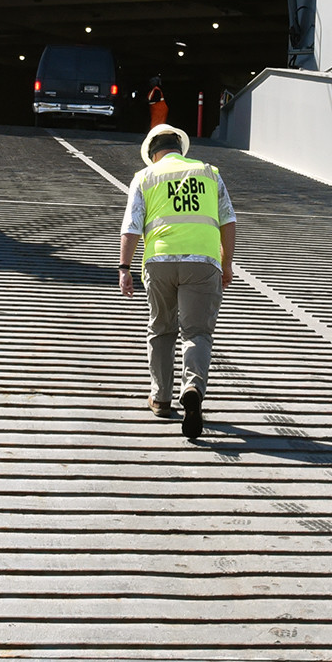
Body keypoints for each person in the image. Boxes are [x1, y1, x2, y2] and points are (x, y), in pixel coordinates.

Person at [117, 123, 235, 440]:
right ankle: (193, 387)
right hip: (203, 262)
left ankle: (161, 398)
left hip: (159, 262)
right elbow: (229, 220)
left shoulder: (145, 177)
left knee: (161, 329)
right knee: (196, 332)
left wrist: (124, 267)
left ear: (153, 154)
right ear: (180, 150)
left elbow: (130, 227)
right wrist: (226, 264)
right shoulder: (209, 173)